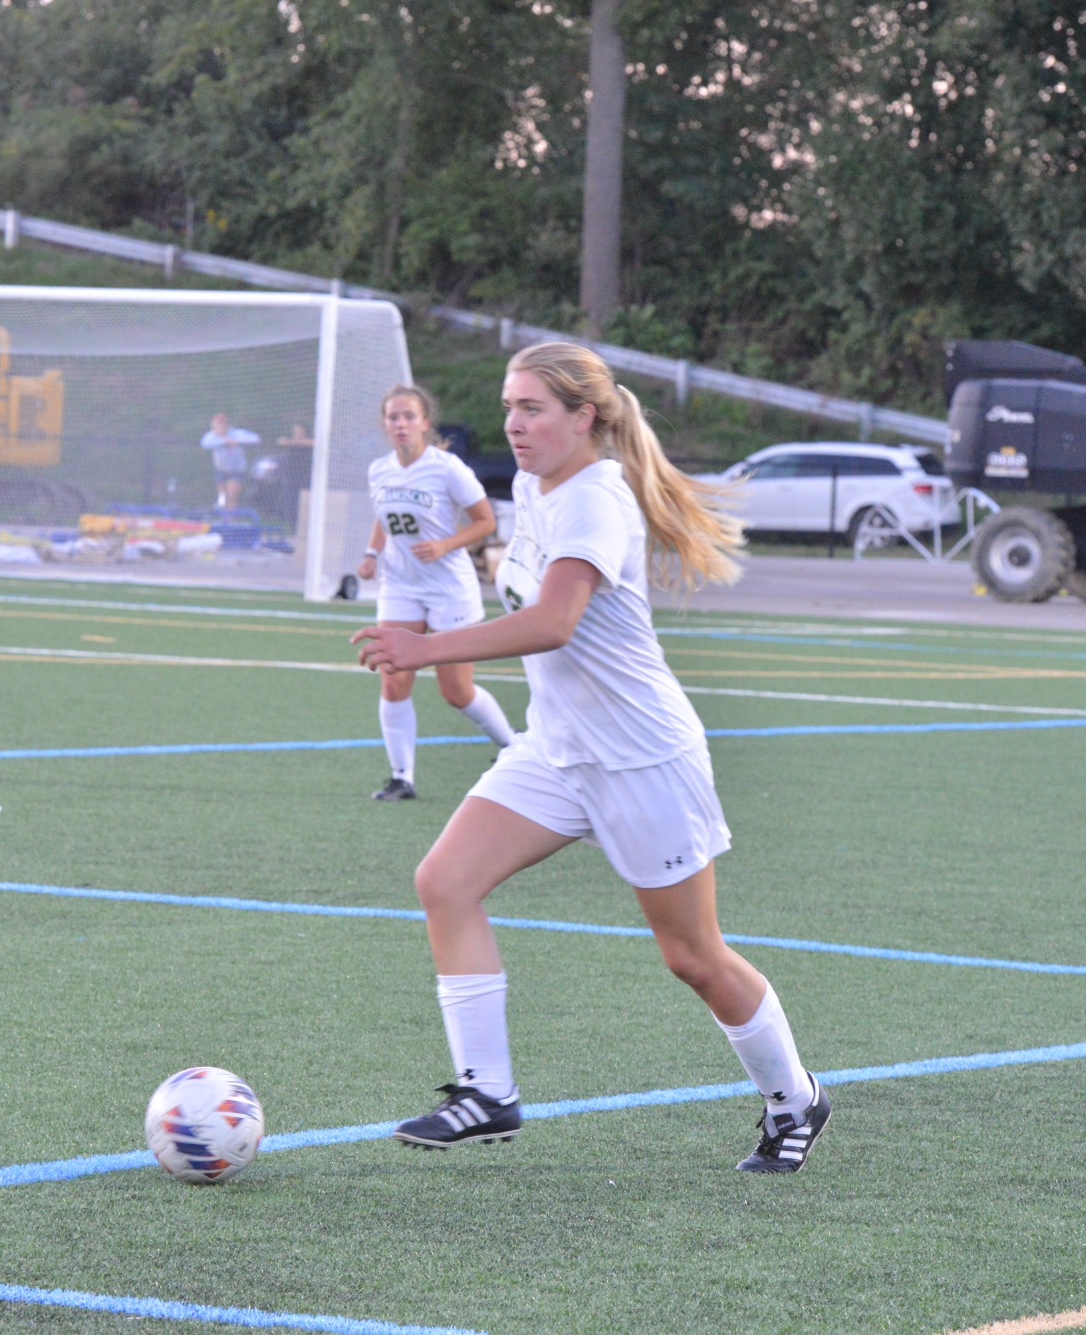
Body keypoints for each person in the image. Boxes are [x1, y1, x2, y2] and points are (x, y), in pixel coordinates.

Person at [352, 342, 829, 1174]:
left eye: (532, 407)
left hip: (642, 760)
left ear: (585, 417)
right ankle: (486, 1092)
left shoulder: (597, 502)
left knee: (693, 957)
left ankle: (796, 1098)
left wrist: (423, 647)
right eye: (509, 406)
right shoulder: (532, 489)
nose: (514, 422)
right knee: (444, 882)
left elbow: (553, 621)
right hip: (558, 750)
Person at [356, 385, 518, 801]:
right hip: (400, 585)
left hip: (449, 588)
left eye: (409, 416)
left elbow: (486, 522)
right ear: (385, 424)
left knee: (456, 692)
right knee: (393, 682)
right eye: (393, 417)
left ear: (425, 423)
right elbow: (384, 516)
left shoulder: (447, 468)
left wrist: (445, 545)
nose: (401, 423)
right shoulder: (379, 470)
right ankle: (401, 777)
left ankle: (515, 748)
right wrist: (373, 553)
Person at [200, 412, 260, 509]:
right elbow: (204, 443)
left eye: (223, 423)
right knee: (222, 497)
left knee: (232, 496)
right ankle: (223, 518)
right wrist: (223, 442)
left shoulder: (237, 434)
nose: (221, 426)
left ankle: (231, 521)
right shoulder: (211, 436)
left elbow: (256, 439)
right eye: (218, 424)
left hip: (236, 471)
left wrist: (237, 442)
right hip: (220, 470)